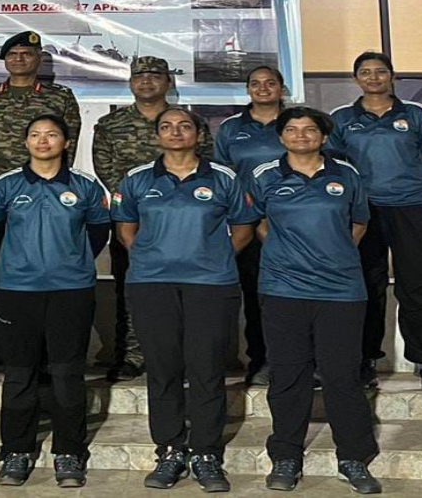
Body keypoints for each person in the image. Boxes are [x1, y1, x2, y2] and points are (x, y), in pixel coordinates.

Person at [111, 108, 254, 493]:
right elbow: (126, 226)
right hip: (152, 285)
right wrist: (148, 254)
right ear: (157, 135)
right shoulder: (138, 178)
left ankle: (206, 452)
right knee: (163, 369)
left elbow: (243, 226)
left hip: (210, 285)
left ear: (199, 134)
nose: (176, 133)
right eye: (167, 127)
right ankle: (171, 450)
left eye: (184, 126)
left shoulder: (223, 177)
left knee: (207, 368)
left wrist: (216, 257)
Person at [248, 107, 382, 494]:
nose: (301, 135)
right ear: (281, 136)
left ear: (324, 137)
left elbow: (358, 224)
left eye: (310, 130)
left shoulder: (347, 175)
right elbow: (256, 222)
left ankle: (354, 458)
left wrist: (331, 255)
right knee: (288, 375)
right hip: (283, 290)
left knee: (342, 376)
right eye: (292, 129)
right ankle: (286, 455)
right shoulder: (264, 176)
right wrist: (289, 254)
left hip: (340, 292)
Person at [0, 114, 108, 489]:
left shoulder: (84, 186)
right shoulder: (6, 185)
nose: (43, 141)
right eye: (35, 134)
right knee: (20, 373)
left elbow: (98, 231)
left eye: (52, 135)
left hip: (71, 291)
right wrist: (21, 263)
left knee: (67, 372)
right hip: (17, 292)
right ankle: (16, 451)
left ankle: (69, 452)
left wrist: (70, 261)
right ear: (25, 142)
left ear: (66, 143)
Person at [329, 51, 422, 394]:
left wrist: (408, 186)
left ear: (392, 76)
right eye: (365, 72)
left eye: (379, 72)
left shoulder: (416, 114)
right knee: (366, 285)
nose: (373, 78)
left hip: (415, 208)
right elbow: (335, 165)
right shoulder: (341, 119)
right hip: (363, 211)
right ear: (356, 79)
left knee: (417, 285)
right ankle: (365, 360)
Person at [0, 30, 81, 382]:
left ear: (38, 59)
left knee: (44, 286)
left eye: (26, 54)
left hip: (43, 206)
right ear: (4, 60)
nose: (19, 59)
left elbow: (68, 152)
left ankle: (43, 358)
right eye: (12, 54)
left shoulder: (59, 97)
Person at [93, 56, 213, 382]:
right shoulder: (110, 126)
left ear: (168, 82)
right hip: (134, 221)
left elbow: (206, 170)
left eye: (155, 76)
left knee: (185, 292)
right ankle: (132, 354)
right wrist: (139, 206)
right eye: (139, 76)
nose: (146, 82)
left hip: (185, 224)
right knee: (130, 290)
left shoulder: (190, 123)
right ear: (130, 83)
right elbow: (106, 170)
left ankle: (182, 354)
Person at [213, 65, 287, 386]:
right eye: (255, 84)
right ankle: (262, 361)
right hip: (248, 223)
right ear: (248, 90)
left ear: (281, 88)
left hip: (293, 224)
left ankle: (301, 362)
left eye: (270, 83)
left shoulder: (297, 123)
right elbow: (222, 176)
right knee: (257, 296)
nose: (263, 88)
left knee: (296, 296)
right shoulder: (231, 128)